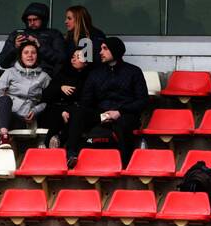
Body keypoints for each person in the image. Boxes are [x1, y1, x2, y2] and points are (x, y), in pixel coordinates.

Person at [63, 36, 148, 166]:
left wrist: (119, 112)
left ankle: (124, 164)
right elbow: (86, 100)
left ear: (115, 50)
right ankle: (71, 154)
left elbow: (142, 100)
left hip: (124, 114)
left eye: (105, 49)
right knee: (78, 112)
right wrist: (76, 112)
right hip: (101, 114)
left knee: (123, 125)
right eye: (101, 49)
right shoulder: (96, 73)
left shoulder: (134, 72)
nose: (100, 52)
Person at [0, 41, 50, 150]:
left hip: (22, 119)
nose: (30, 55)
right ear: (21, 56)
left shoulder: (44, 77)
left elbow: (50, 100)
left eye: (33, 53)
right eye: (26, 52)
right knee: (4, 100)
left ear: (37, 56)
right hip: (6, 112)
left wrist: (36, 110)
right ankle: (4, 136)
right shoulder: (10, 72)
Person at [0, 1, 65, 88]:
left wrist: (39, 46)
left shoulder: (54, 34)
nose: (32, 23)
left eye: (35, 19)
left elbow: (61, 59)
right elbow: (2, 62)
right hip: (17, 75)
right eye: (29, 20)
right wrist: (15, 47)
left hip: (41, 75)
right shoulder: (16, 34)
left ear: (43, 19)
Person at [40, 47, 92, 149]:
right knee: (59, 115)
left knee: (74, 116)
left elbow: (85, 100)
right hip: (56, 109)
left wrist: (67, 110)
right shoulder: (63, 73)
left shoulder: (90, 77)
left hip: (76, 111)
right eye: (73, 56)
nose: (74, 59)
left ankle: (55, 143)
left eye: (78, 57)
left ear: (86, 62)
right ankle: (50, 144)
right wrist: (60, 87)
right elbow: (45, 95)